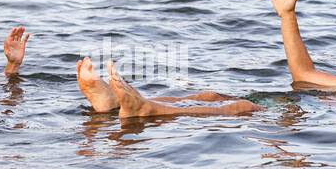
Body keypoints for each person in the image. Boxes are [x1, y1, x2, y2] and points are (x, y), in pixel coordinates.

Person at [75, 56, 260, 119]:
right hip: (281, 102)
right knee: (210, 96)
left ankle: (147, 108)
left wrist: (285, 15)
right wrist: (285, 15)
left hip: (282, 109)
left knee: (245, 106)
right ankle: (115, 102)